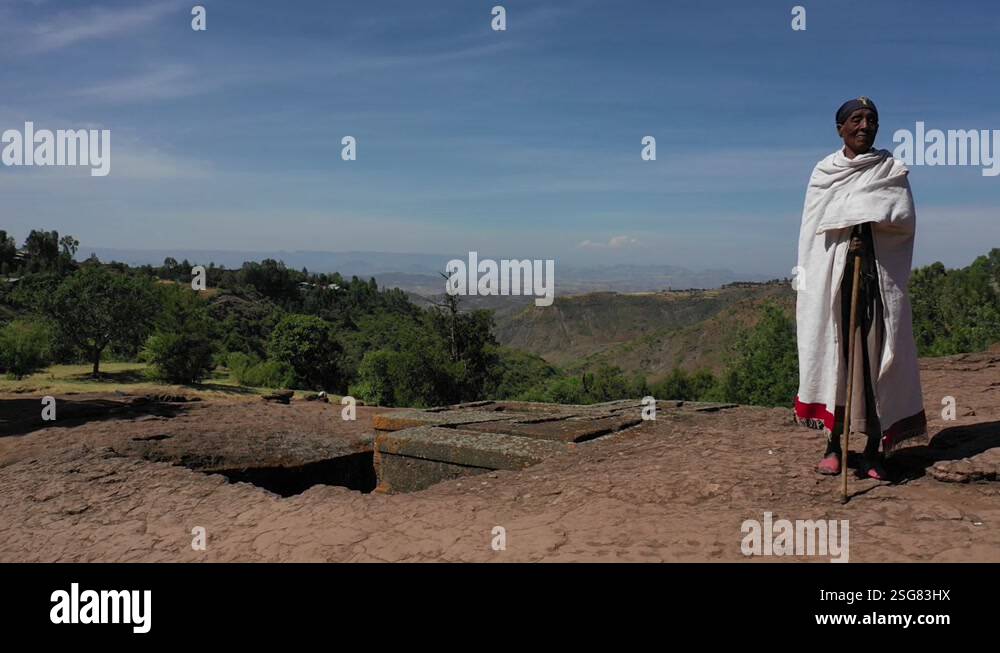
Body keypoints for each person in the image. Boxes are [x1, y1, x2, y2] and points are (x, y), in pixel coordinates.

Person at [793, 97, 928, 481]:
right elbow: (816, 227)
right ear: (840, 129)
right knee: (835, 360)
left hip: (876, 283)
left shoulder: (890, 169)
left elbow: (902, 219)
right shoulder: (824, 172)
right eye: (856, 119)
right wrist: (855, 219)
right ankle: (834, 446)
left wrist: (865, 220)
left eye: (872, 119)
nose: (865, 125)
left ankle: (872, 450)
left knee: (875, 363)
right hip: (834, 284)